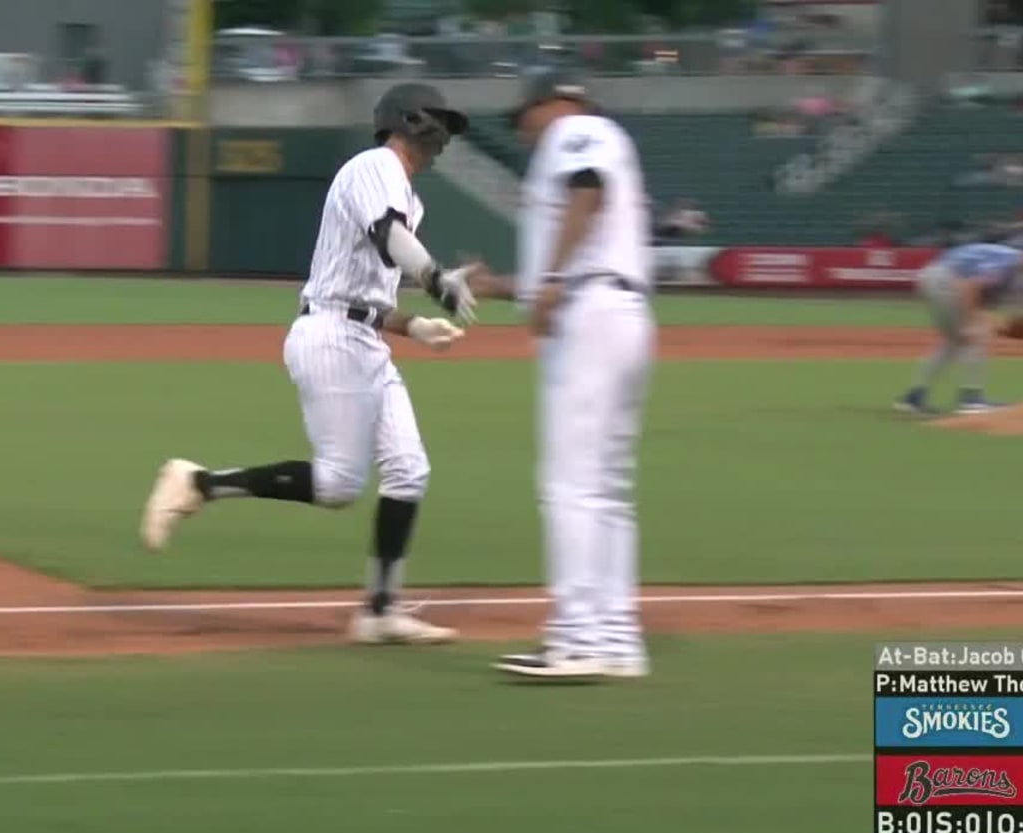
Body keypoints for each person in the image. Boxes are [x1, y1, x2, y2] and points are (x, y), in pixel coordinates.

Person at [139, 83, 479, 645]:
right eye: (440, 121)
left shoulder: (409, 197)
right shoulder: (376, 165)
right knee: (339, 484)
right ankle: (199, 483)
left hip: (362, 337)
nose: (445, 135)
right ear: (411, 119)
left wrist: (415, 324)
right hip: (330, 337)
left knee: (408, 470)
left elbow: (370, 294)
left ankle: (379, 609)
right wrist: (437, 280)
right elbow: (385, 237)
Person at [466, 68, 657, 679]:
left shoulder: (579, 129)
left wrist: (549, 279)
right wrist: (500, 285)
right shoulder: (595, 135)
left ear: (556, 102)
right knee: (606, 488)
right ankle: (616, 638)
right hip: (616, 310)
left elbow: (586, 187)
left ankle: (576, 637)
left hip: (591, 314)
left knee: (571, 484)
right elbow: (586, 241)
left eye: (524, 115)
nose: (522, 131)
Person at [894, 234, 1023, 415]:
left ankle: (914, 397)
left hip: (934, 277)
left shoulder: (1009, 265)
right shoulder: (1009, 262)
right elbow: (970, 286)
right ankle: (971, 399)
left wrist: (1005, 330)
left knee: (954, 342)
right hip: (944, 279)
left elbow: (981, 306)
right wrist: (969, 324)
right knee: (975, 333)